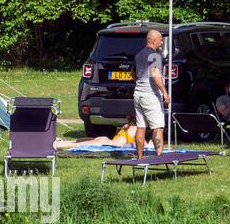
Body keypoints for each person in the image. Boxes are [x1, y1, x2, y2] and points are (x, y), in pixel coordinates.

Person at [133, 29, 169, 158]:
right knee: (157, 127)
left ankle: (140, 157)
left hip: (138, 94)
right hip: (150, 95)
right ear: (153, 40)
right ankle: (160, 156)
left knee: (141, 127)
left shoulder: (138, 55)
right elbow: (155, 74)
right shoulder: (154, 55)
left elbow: (134, 75)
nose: (161, 42)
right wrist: (165, 92)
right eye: (160, 39)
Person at [55, 115, 137, 150]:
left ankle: (58, 142)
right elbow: (144, 144)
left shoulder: (126, 126)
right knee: (76, 145)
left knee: (78, 142)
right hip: (108, 143)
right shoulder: (136, 129)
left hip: (106, 140)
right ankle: (55, 145)